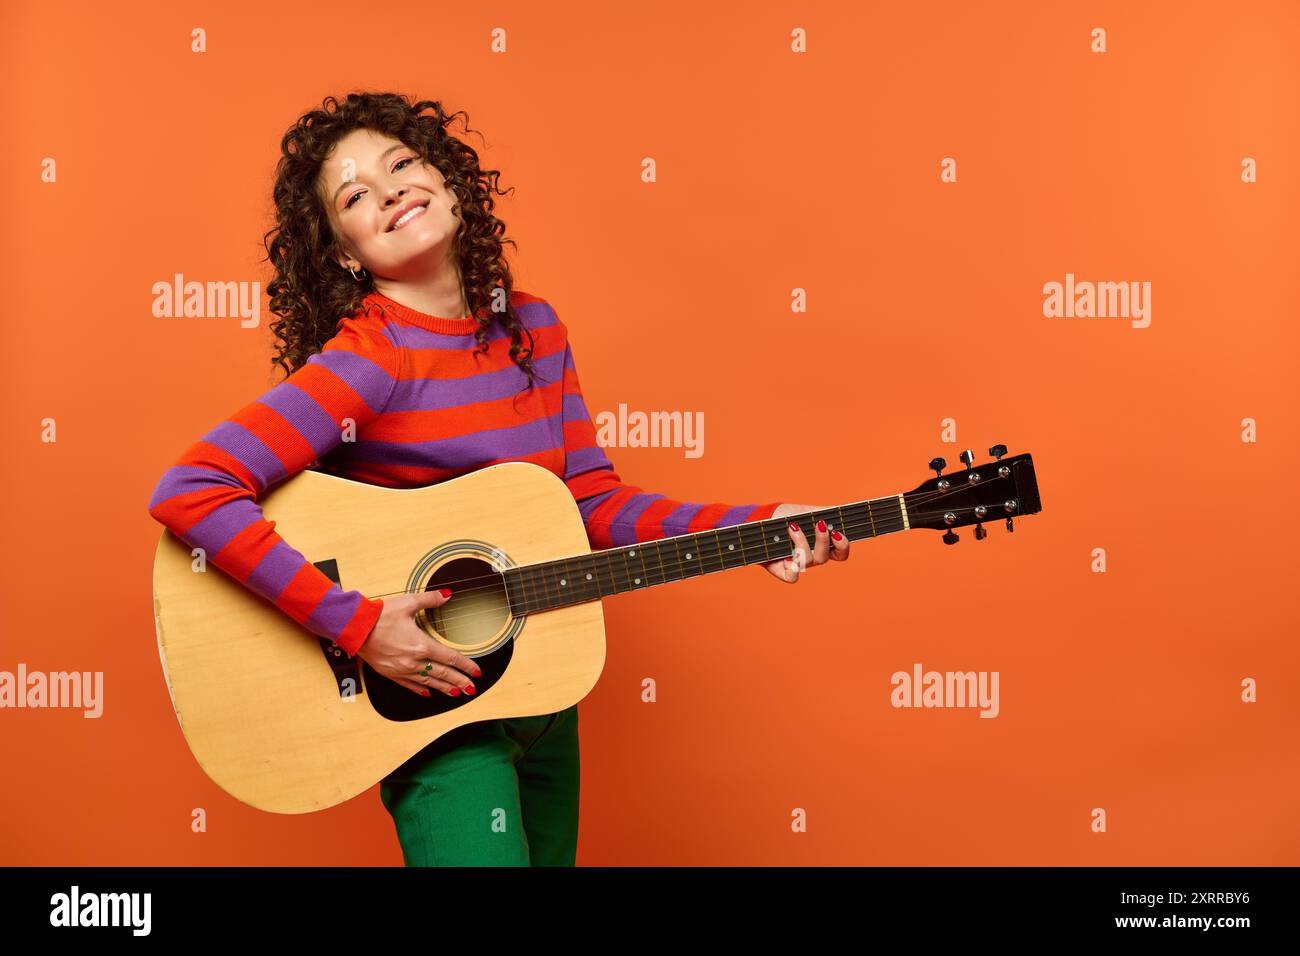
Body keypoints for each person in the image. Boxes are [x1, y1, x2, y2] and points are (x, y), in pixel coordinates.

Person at [146, 91, 852, 866]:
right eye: (355, 196)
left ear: (448, 180)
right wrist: (355, 624)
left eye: (404, 164)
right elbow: (193, 489)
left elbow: (589, 505)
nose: (391, 192)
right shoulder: (371, 357)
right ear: (344, 253)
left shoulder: (534, 330)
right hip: (433, 717)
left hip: (541, 696)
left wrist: (752, 530)